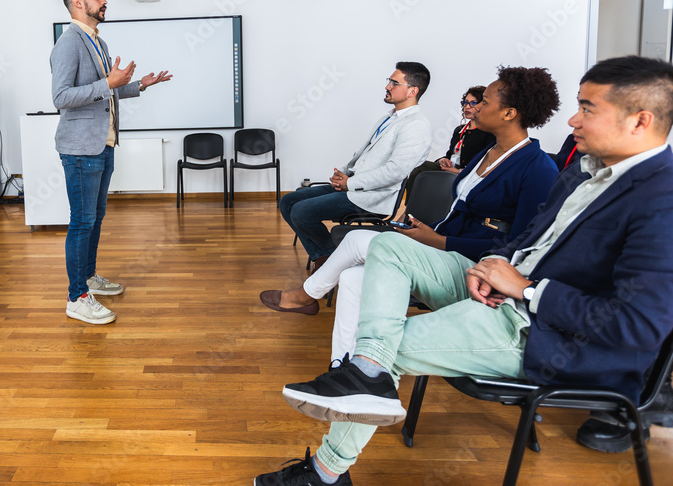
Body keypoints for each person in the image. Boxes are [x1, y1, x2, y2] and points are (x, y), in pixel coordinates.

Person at [255, 55, 673, 486]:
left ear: (639, 121)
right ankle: (361, 372)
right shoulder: (583, 173)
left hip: (548, 335)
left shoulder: (661, 201)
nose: (572, 120)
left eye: (587, 108)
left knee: (381, 353)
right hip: (501, 290)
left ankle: (326, 473)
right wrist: (494, 264)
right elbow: (526, 235)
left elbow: (637, 327)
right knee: (385, 249)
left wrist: (526, 290)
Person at [259, 66, 560, 368]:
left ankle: (306, 295)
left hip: (473, 269)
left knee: (355, 238)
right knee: (351, 276)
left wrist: (439, 240)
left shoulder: (538, 169)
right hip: (443, 249)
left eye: (483, 101)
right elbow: (463, 212)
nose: (474, 106)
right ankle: (345, 369)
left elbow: (518, 247)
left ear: (509, 113)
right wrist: (429, 231)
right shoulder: (487, 154)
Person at [51, 0, 171, 325]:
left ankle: (88, 278)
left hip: (103, 145)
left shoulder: (98, 42)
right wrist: (108, 83)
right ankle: (77, 297)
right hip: (80, 149)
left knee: (94, 219)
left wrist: (137, 86)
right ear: (78, 4)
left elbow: (106, 92)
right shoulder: (69, 44)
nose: (104, 1)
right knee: (82, 222)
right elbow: (61, 98)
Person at [279, 63, 433, 270]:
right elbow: (363, 154)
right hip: (355, 186)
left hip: (373, 196)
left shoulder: (416, 125)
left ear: (412, 91)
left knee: (301, 212)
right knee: (288, 201)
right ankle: (324, 256)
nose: (387, 86)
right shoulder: (388, 118)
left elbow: (395, 171)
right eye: (388, 81)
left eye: (394, 83)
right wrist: (343, 173)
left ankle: (330, 262)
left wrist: (350, 183)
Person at [404, 86, 496, 195]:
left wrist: (457, 171)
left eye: (473, 103)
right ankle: (410, 208)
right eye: (465, 103)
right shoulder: (459, 129)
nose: (467, 107)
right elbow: (450, 154)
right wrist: (442, 160)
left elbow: (485, 164)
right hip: (450, 169)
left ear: (483, 105)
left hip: (468, 175)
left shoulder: (489, 132)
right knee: (421, 168)